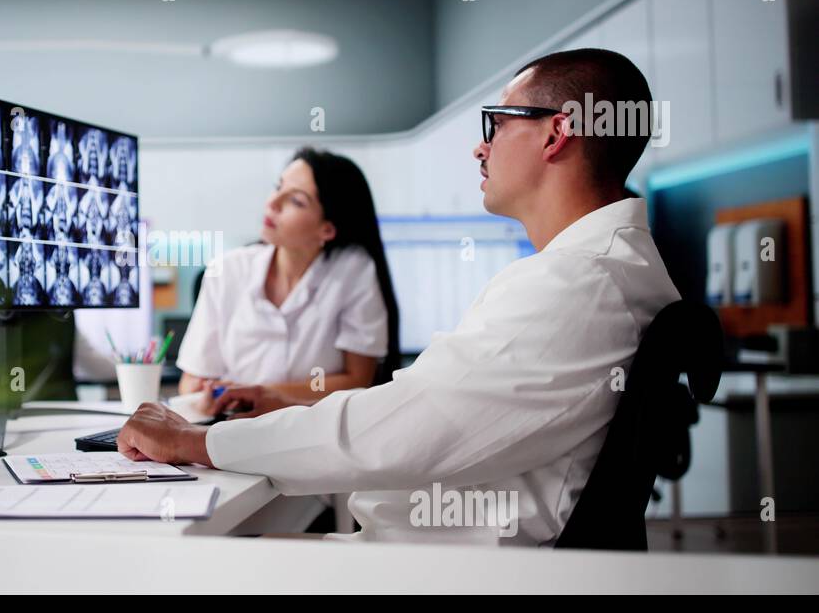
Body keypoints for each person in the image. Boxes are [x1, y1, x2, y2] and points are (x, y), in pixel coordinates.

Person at [117, 48, 680, 546]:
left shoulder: (577, 284)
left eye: (498, 124)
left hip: (438, 569)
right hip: (437, 553)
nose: (480, 149)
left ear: (556, 134)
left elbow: (388, 431)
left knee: (179, 567)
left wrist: (196, 441)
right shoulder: (599, 270)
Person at [176, 147, 400, 410]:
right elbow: (192, 380)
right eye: (278, 187)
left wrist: (262, 393)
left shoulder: (352, 270)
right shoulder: (226, 270)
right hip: (231, 426)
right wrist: (208, 392)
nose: (272, 203)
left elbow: (359, 380)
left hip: (314, 429)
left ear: (326, 229)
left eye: (296, 200)